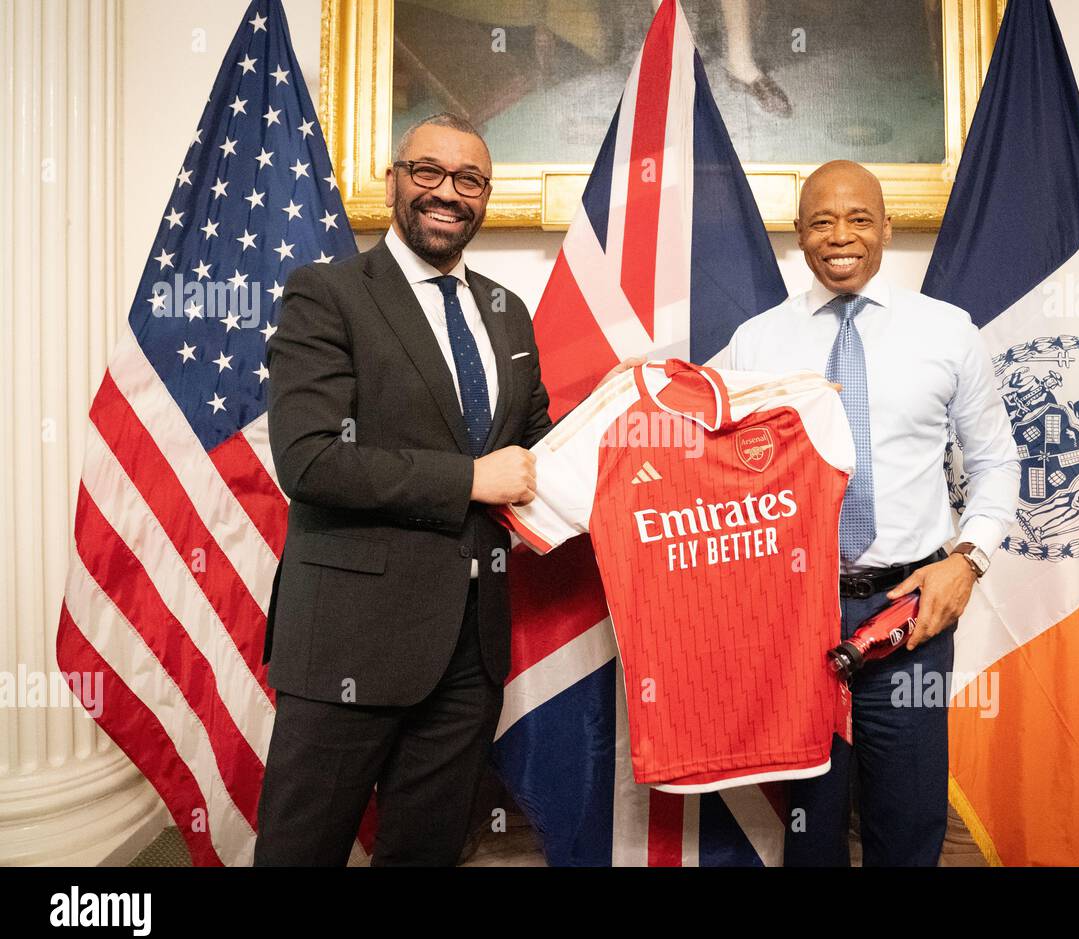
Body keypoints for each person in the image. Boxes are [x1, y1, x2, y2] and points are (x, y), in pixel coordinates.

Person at [255, 113, 631, 865]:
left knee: (426, 852)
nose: (447, 193)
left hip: (470, 651)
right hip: (347, 644)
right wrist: (468, 479)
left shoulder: (504, 311)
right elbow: (310, 460)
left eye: (469, 180)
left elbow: (535, 452)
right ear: (395, 180)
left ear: (485, 197)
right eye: (428, 171)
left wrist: (623, 418)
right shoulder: (326, 293)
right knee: (302, 851)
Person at [722, 160, 1019, 866]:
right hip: (797, 612)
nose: (840, 236)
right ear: (798, 235)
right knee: (809, 819)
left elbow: (997, 464)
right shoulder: (757, 341)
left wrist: (966, 562)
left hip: (911, 610)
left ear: (887, 227)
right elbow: (716, 469)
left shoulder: (947, 332)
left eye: (859, 218)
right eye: (821, 220)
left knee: (908, 819)